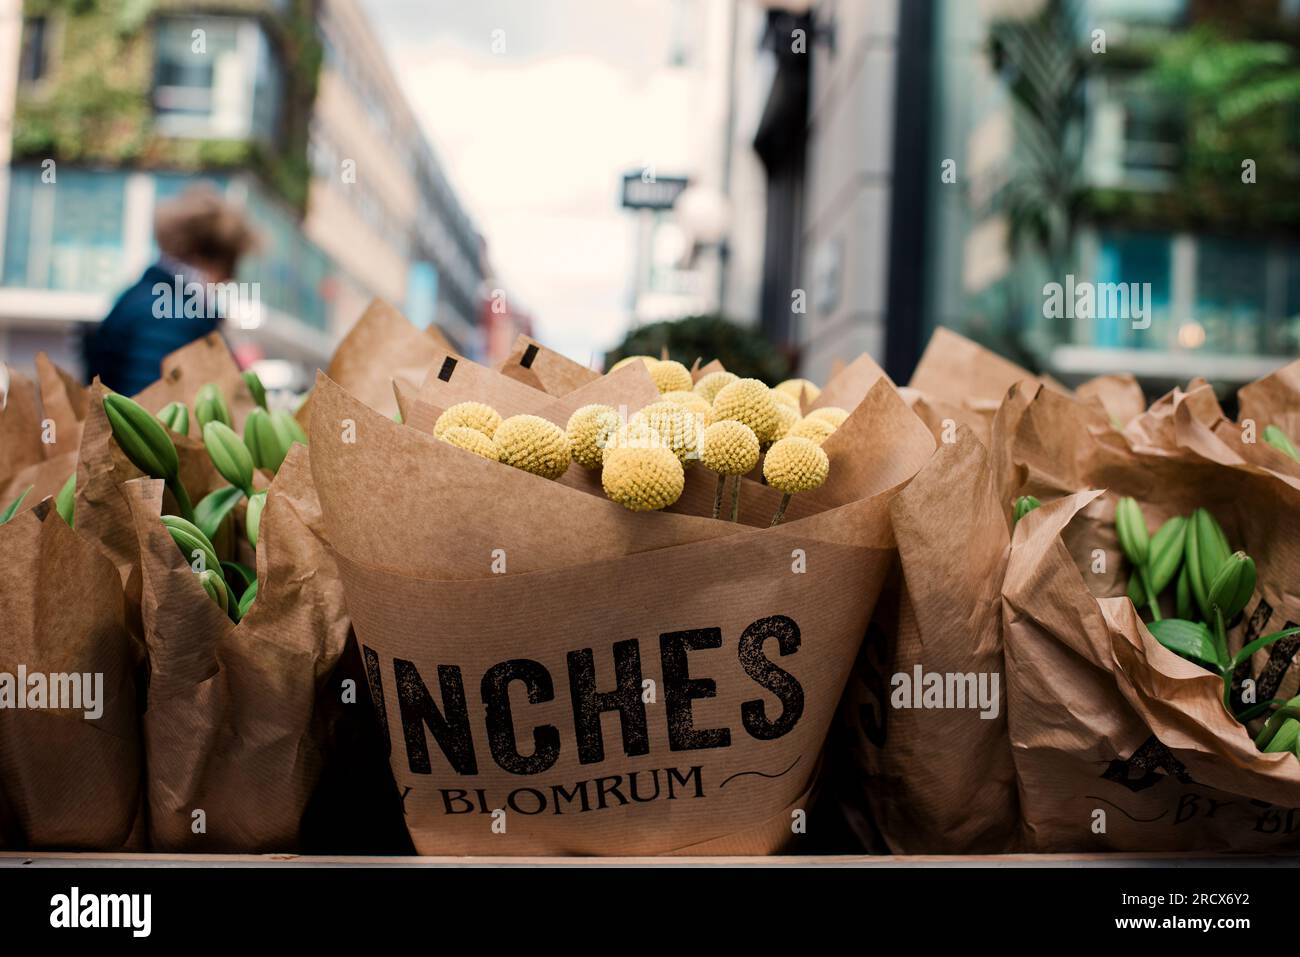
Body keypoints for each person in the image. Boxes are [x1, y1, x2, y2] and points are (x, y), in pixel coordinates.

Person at [84, 184, 258, 395]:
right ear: (210, 256)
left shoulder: (149, 297)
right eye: (231, 264)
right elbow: (154, 407)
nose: (230, 278)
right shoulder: (172, 314)